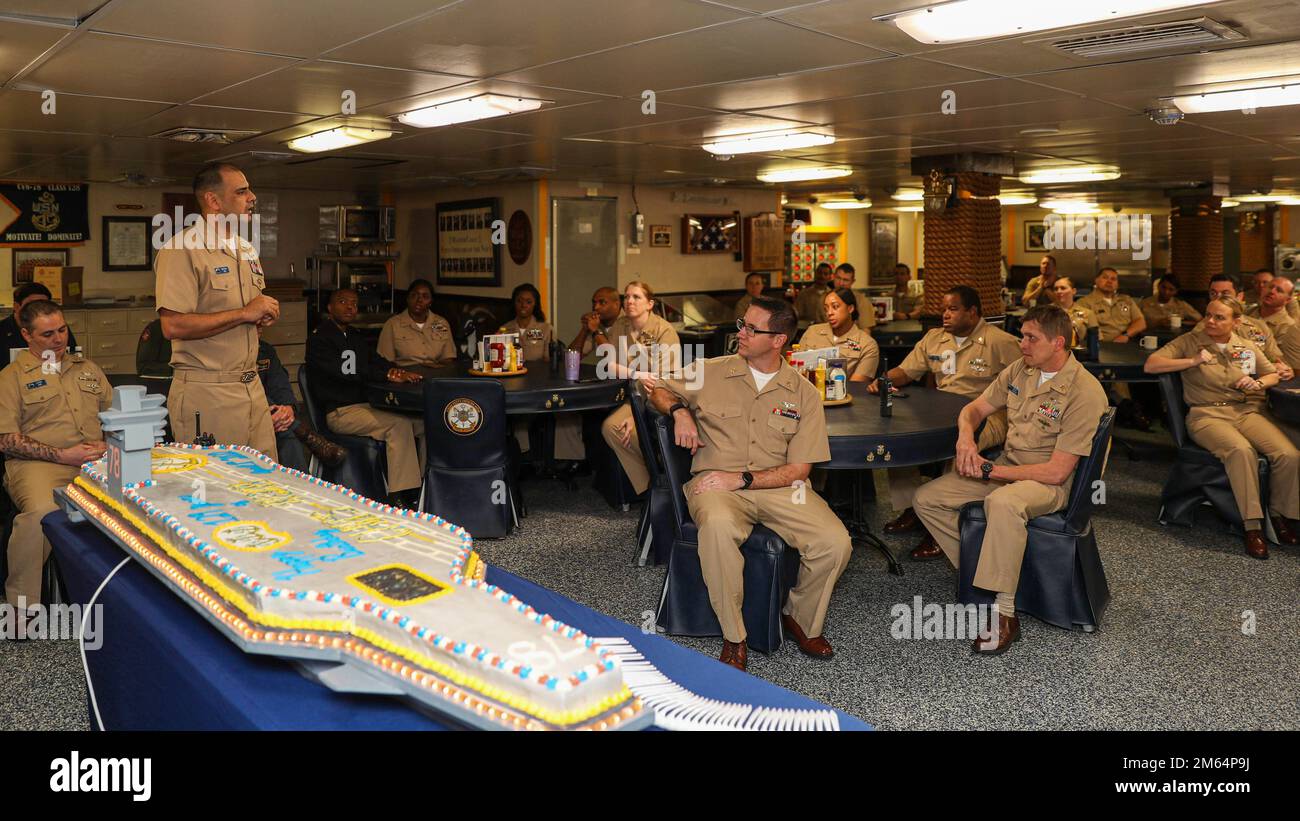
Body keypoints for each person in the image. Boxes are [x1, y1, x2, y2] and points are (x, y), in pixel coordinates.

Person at [646, 295, 852, 671]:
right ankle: (735, 635)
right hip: (715, 487)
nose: (740, 332)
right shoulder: (709, 370)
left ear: (778, 341)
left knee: (835, 542)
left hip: (778, 486)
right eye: (742, 323)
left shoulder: (803, 393)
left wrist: (743, 478)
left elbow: (800, 470)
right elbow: (656, 388)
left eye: (751, 329)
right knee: (719, 529)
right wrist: (679, 412)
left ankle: (801, 619)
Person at [913, 304, 1108, 654]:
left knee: (1002, 502)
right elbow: (973, 409)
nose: (1023, 344)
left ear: (1058, 342)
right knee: (927, 498)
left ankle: (1004, 613)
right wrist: (965, 438)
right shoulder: (1021, 370)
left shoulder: (1084, 391)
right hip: (1008, 465)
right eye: (1022, 336)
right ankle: (978, 572)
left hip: (1047, 484)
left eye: (1032, 338)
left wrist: (991, 471)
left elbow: (1057, 471)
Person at [1144, 296, 1299, 559]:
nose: (1211, 321)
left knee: (1288, 454)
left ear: (1236, 322)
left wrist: (1259, 384)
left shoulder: (1246, 346)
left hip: (1244, 411)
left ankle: (1278, 516)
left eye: (1219, 317)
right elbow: (1151, 365)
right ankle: (1252, 526)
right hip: (1207, 415)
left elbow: (1271, 373)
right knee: (1241, 451)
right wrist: (1191, 361)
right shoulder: (1190, 341)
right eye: (1208, 315)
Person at [868, 286, 1022, 542]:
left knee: (960, 444)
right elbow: (907, 371)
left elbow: (1024, 384)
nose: (945, 315)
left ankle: (944, 521)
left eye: (953, 309)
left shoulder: (1001, 342)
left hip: (987, 416)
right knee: (898, 439)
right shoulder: (934, 338)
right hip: (940, 413)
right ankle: (914, 509)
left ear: (972, 312)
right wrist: (884, 378)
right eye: (943, 310)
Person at [154, 162, 279, 457]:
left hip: (251, 387)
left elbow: (244, 312)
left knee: (266, 487)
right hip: (208, 392)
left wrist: (258, 317)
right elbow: (172, 326)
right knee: (218, 493)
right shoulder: (181, 249)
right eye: (241, 191)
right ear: (213, 200)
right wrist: (244, 314)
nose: (252, 198)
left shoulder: (245, 249)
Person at [0, 300, 111, 608]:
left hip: (96, 461)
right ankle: (22, 611)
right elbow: (7, 440)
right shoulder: (11, 378)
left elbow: (117, 419)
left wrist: (108, 443)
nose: (59, 339)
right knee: (40, 515)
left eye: (62, 330)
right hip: (38, 466)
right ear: (26, 335)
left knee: (139, 504)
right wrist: (64, 456)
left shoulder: (87, 369)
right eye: (48, 334)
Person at [306, 289, 425, 507]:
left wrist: (397, 371)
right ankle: (401, 496)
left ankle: (425, 487)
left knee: (424, 424)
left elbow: (375, 361)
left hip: (367, 407)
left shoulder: (355, 336)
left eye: (354, 303)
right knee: (398, 426)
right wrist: (385, 375)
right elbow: (347, 371)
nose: (350, 307)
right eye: (343, 302)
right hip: (340, 412)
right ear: (330, 308)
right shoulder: (319, 338)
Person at [600, 281, 682, 495]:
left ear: (650, 304)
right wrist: (637, 374)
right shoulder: (621, 325)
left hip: (658, 398)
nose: (629, 301)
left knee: (625, 426)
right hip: (631, 395)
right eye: (626, 297)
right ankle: (650, 487)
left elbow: (662, 382)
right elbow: (609, 365)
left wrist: (637, 414)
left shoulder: (664, 331)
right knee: (611, 428)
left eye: (636, 297)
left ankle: (665, 474)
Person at [255, 327, 346, 473]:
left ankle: (300, 489)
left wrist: (288, 408)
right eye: (254, 323)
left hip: (272, 416)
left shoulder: (265, 350)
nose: (259, 327)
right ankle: (303, 432)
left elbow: (280, 383)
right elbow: (245, 390)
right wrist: (274, 410)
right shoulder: (231, 353)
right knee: (286, 431)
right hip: (245, 412)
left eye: (261, 323)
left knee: (285, 430)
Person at [1195, 274, 1294, 380]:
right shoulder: (1205, 327)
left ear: (1239, 297)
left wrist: (1286, 369)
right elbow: (1212, 364)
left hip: (1259, 389)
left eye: (1225, 294)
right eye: (1213, 293)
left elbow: (1277, 358)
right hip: (1225, 388)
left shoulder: (1258, 326)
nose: (1218, 299)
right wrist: (1265, 368)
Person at [797, 288, 878, 380]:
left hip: (844, 393)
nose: (829, 313)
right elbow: (795, 369)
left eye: (835, 307)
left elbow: (856, 386)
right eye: (826, 309)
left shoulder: (867, 345)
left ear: (850, 308)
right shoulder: (812, 332)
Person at [377, 278, 457, 367]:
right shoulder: (393, 325)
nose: (419, 300)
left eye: (425, 296)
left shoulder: (441, 323)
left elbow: (448, 358)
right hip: (405, 376)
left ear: (430, 302)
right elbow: (385, 362)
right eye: (414, 295)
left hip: (434, 375)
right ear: (407, 298)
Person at [0, 283, 79, 359]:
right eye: (47, 334)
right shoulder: (2, 330)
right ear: (16, 307)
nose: (38, 309)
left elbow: (73, 357)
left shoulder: (58, 328)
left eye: (43, 305)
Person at [1077, 268, 1145, 343]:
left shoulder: (1126, 300)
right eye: (1105, 277)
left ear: (1117, 284)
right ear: (1096, 280)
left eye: (1113, 279)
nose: (1109, 281)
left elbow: (1141, 322)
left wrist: (1125, 335)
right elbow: (1081, 329)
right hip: (1102, 346)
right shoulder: (1084, 302)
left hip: (1128, 344)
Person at [502, 283, 553, 363]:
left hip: (537, 373)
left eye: (528, 302)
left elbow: (548, 359)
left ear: (535, 304)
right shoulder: (504, 329)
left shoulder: (545, 328)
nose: (523, 305)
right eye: (519, 301)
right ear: (514, 303)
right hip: (512, 373)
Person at [569, 286, 623, 355]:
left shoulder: (628, 323)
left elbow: (617, 359)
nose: (595, 307)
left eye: (602, 302)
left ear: (616, 304)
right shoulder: (597, 324)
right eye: (594, 303)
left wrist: (596, 331)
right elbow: (571, 358)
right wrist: (584, 329)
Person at [1050, 276, 1100, 348]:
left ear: (1073, 291)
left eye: (1063, 288)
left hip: (1076, 353)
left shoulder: (1087, 313)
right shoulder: (1045, 312)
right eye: (1056, 289)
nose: (1059, 291)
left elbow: (1097, 339)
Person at [831, 262, 878, 332]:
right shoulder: (824, 299)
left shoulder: (862, 301)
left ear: (852, 282)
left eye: (845, 280)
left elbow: (866, 332)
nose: (841, 283)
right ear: (833, 277)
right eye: (838, 278)